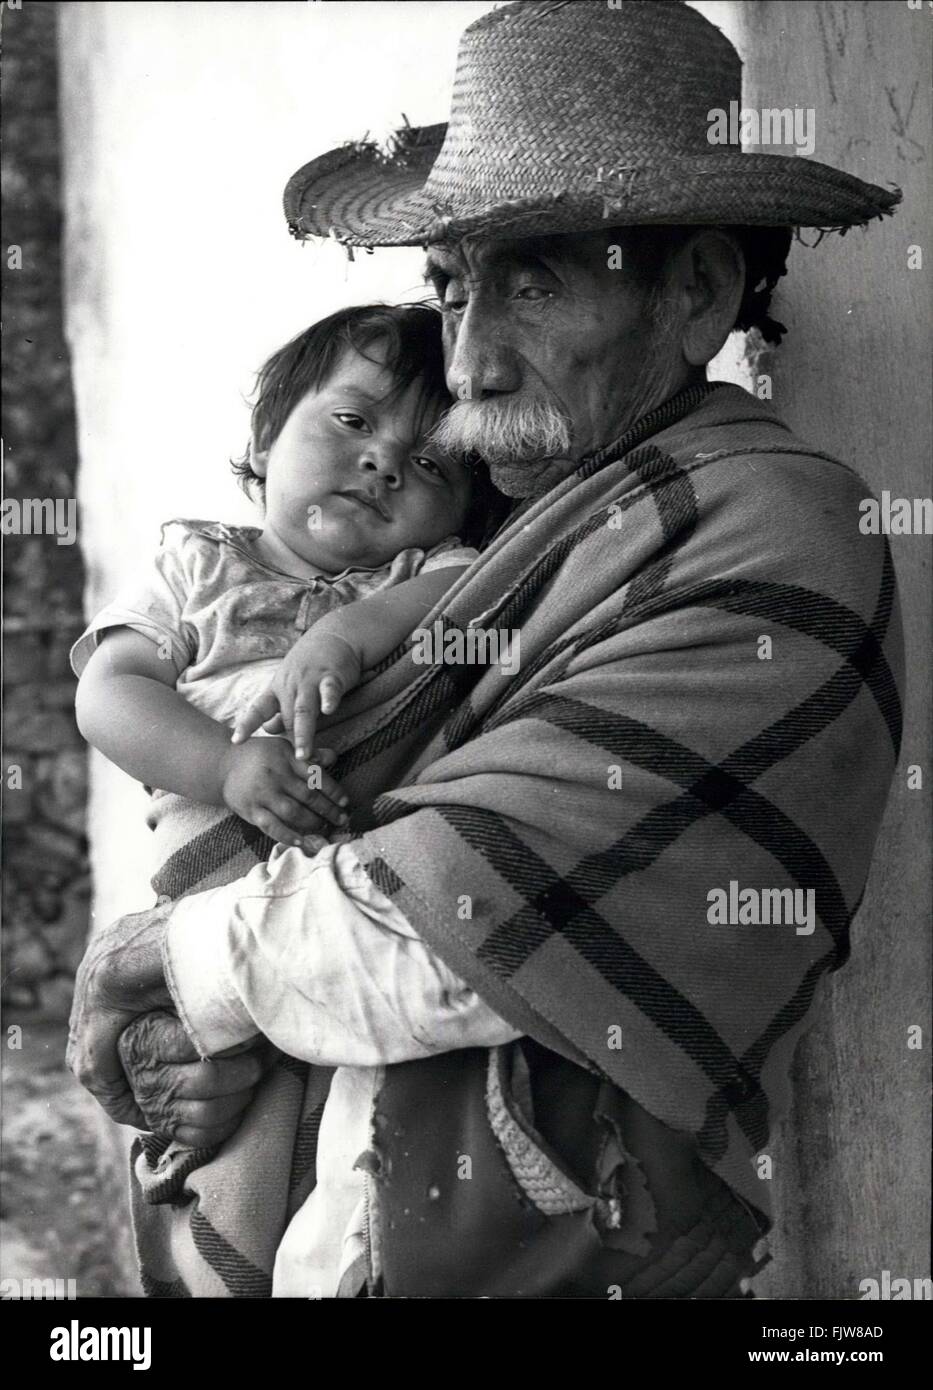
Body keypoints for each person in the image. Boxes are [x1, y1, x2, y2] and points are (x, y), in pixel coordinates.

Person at [69, 0, 903, 1298]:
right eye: (452, 288)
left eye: (531, 284)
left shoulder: (768, 521)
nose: (465, 360)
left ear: (696, 290)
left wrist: (171, 958)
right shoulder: (531, 527)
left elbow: (452, 912)